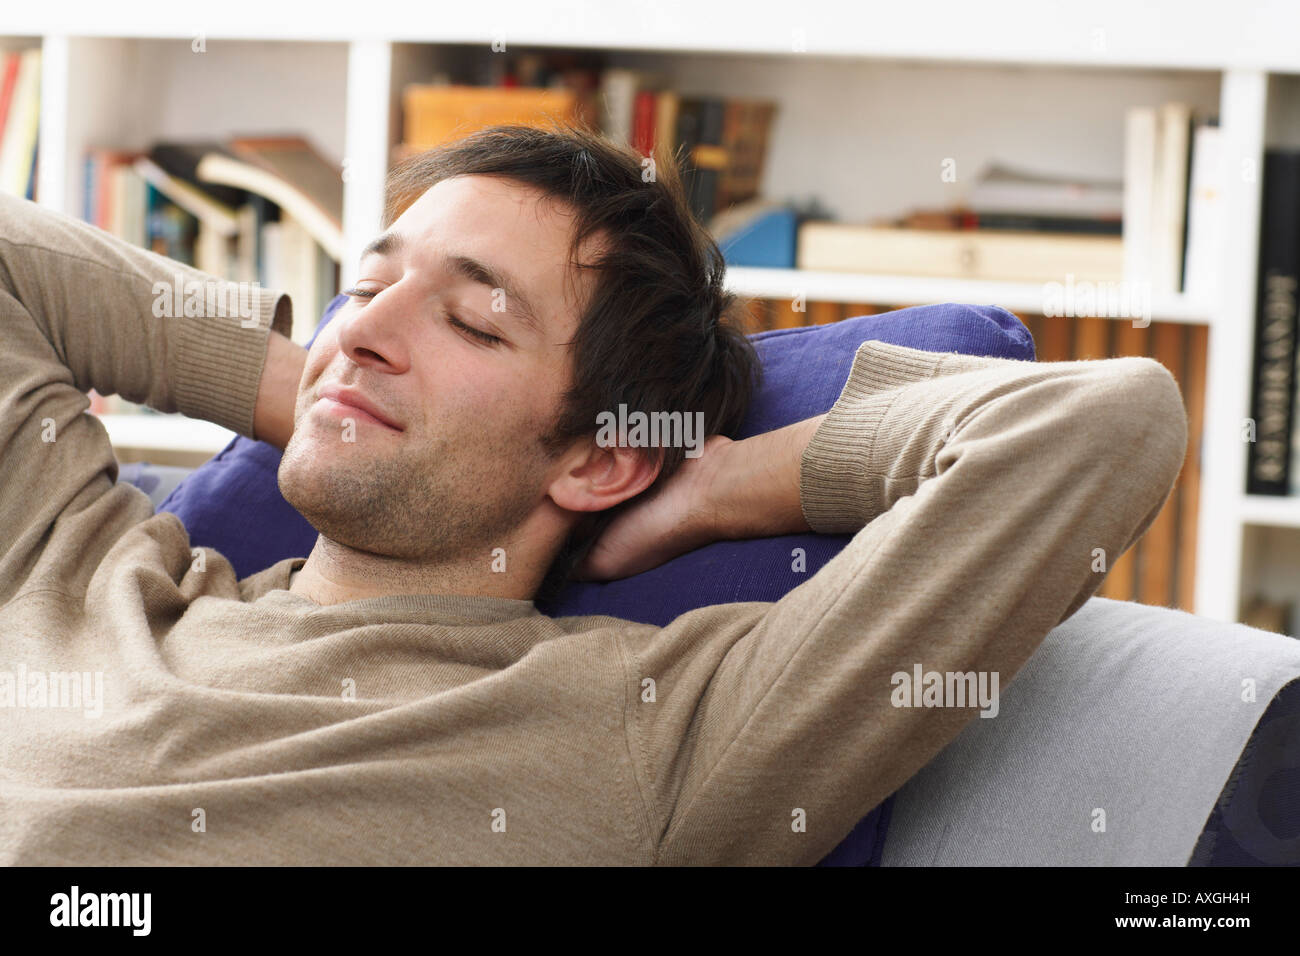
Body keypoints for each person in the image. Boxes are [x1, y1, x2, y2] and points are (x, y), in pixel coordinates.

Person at [0, 125, 1186, 865]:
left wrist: (716, 481)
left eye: (471, 318)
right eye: (363, 286)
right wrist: (319, 384)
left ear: (596, 461)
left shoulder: (649, 732)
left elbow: (1105, 421)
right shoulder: (91, 567)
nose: (365, 327)